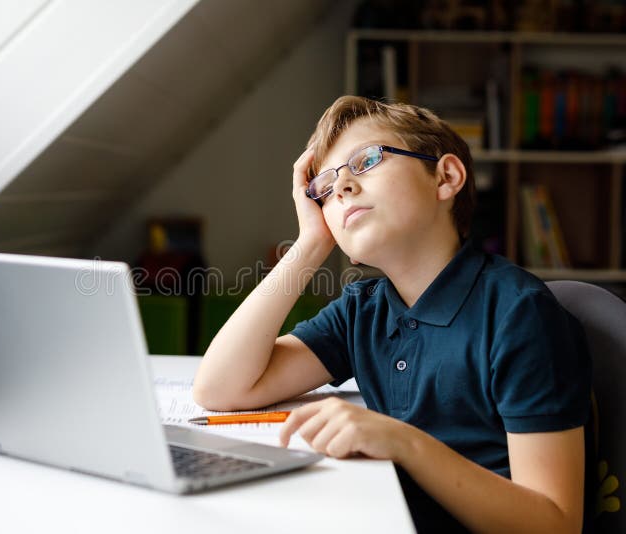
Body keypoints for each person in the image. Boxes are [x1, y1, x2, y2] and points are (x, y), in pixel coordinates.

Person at [192, 95, 592, 533]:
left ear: (446, 177)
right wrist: (309, 244)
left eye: (366, 161)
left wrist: (404, 443)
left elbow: (556, 524)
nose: (341, 188)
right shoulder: (362, 311)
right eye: (324, 189)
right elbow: (221, 388)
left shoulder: (518, 315)